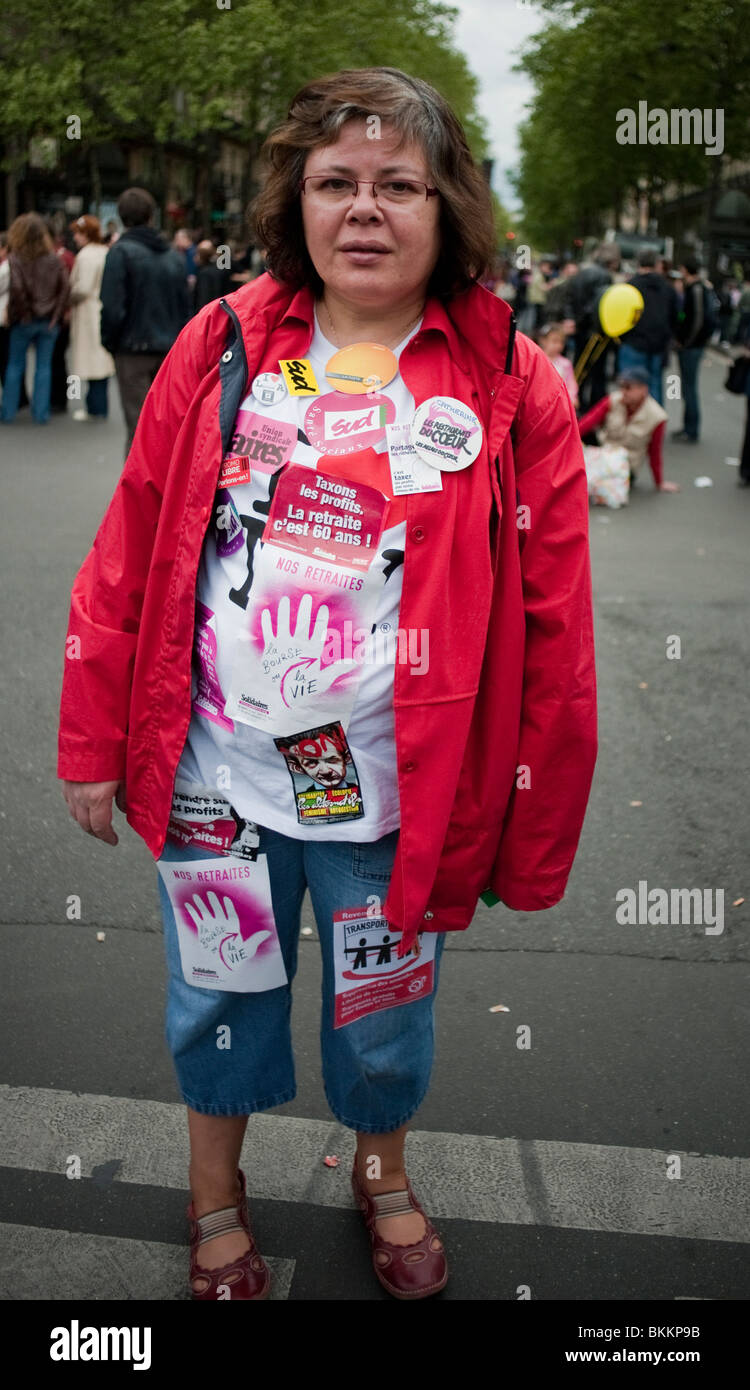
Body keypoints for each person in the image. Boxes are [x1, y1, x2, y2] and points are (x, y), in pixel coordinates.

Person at [58, 66, 597, 1303]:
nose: (365, 208)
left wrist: (534, 819)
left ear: (446, 204)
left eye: (398, 183)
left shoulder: (515, 382)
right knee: (220, 1002)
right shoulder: (225, 341)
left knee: (384, 1011)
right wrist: (91, 736)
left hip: (401, 796)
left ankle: (385, 1172)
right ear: (296, 203)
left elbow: (553, 626)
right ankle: (214, 1199)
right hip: (219, 775)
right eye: (335, 182)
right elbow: (132, 544)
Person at [100, 187, 191, 455]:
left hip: (133, 349)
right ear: (151, 215)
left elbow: (112, 306)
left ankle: (139, 494)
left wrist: (110, 342)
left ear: (122, 216)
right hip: (169, 352)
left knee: (138, 429)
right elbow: (186, 307)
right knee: (167, 428)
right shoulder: (173, 255)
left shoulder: (121, 253)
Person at [0, 213, 69, 425]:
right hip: (48, 321)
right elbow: (65, 289)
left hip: (23, 320)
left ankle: (8, 412)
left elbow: (17, 289)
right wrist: (56, 316)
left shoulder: (14, 261)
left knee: (15, 365)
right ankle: (41, 413)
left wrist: (23, 315)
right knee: (44, 367)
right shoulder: (54, 261)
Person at [577, 364, 680, 492]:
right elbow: (586, 423)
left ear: (643, 389)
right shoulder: (613, 400)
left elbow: (655, 452)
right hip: (603, 453)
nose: (623, 392)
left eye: (628, 388)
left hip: (626, 466)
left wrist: (659, 482)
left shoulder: (657, 417)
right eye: (621, 387)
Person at [68, 215, 116, 420]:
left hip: (87, 311)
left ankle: (93, 407)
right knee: (100, 360)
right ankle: (99, 405)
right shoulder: (105, 252)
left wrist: (69, 294)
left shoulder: (86, 256)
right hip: (101, 307)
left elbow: (83, 288)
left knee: (89, 360)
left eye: (78, 233)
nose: (75, 237)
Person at [618, 249, 679, 406]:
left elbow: (620, 313)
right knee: (654, 386)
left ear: (638, 263)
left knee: (629, 384)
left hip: (634, 342)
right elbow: (677, 316)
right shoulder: (668, 289)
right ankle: (655, 425)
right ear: (656, 264)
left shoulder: (630, 286)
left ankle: (631, 424)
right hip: (658, 345)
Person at [568, 243, 621, 410]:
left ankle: (577, 405)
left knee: (579, 369)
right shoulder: (604, 276)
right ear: (612, 260)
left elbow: (572, 298)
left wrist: (576, 321)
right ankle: (594, 410)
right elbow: (599, 304)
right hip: (596, 331)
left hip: (582, 329)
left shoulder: (582, 272)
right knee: (597, 373)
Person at [672, 257, 714, 443]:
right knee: (687, 387)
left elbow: (697, 319)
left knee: (689, 388)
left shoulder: (696, 289)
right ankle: (688, 426)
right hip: (692, 345)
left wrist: (686, 342)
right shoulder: (696, 288)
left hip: (691, 346)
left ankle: (691, 429)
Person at [537, 322, 578, 406]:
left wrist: (572, 397)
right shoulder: (538, 359)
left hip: (559, 403)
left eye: (561, 342)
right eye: (554, 341)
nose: (558, 345)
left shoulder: (565, 364)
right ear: (543, 340)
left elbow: (571, 384)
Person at [193, 239, 225, 313]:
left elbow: (203, 299)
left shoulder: (204, 274)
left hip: (208, 313)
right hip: (219, 310)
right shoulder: (220, 269)